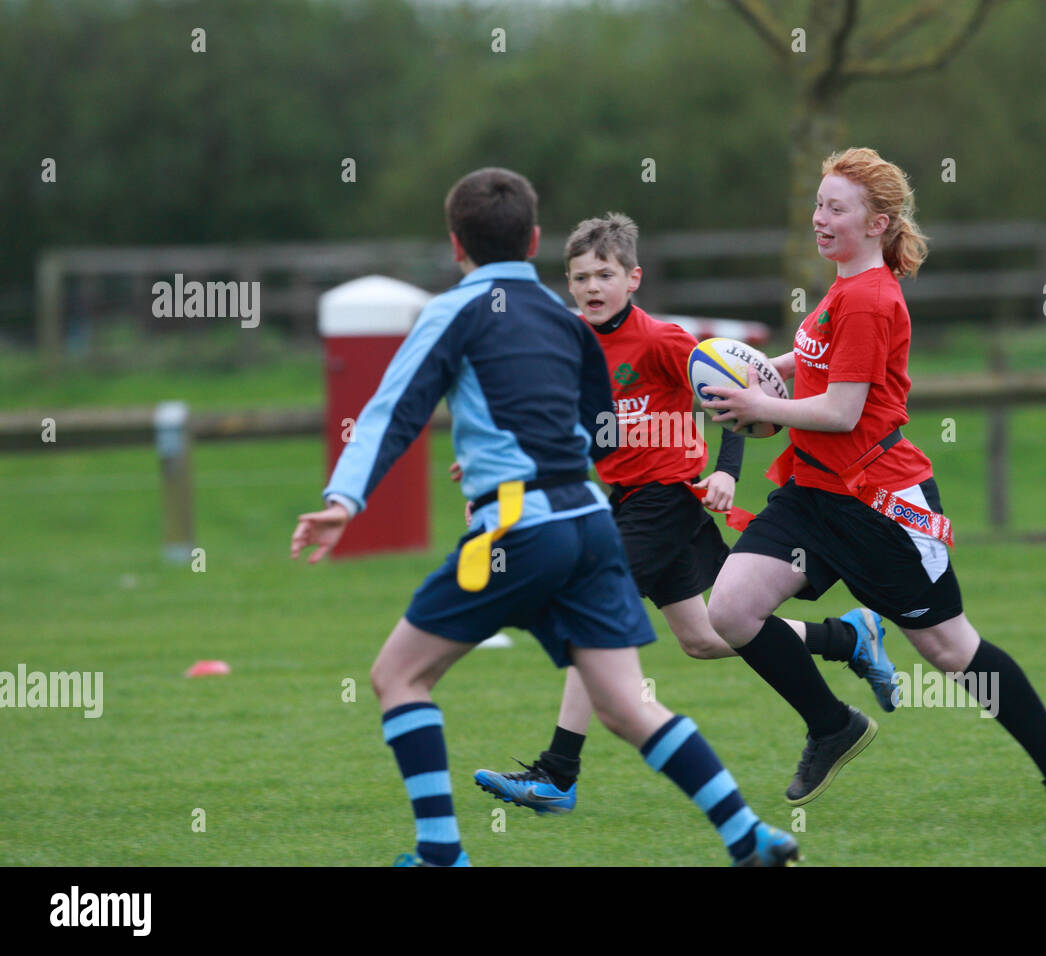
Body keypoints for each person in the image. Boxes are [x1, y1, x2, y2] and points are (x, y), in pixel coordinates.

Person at [289, 167, 799, 865]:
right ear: (533, 241)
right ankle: (749, 837)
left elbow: (392, 412)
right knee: (626, 706)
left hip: (518, 529)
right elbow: (597, 432)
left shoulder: (452, 313)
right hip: (590, 522)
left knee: (398, 677)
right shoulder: (569, 327)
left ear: (454, 246)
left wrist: (344, 500)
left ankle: (440, 851)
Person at [702, 147, 1046, 821]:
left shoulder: (869, 297)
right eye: (819, 204)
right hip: (813, 495)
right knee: (730, 611)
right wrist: (747, 369)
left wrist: (758, 408)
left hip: (879, 505)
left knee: (951, 649)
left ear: (877, 222)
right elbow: (809, 360)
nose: (820, 218)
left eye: (837, 208)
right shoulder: (842, 285)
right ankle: (832, 724)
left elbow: (841, 411)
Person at [470, 212, 898, 816]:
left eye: (605, 274)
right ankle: (846, 636)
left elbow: (735, 391)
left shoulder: (661, 340)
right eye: (580, 277)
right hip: (628, 499)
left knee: (590, 611)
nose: (592, 287)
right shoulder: (571, 344)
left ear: (633, 277)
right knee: (706, 636)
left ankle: (557, 773)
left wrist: (726, 469)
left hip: (667, 498)